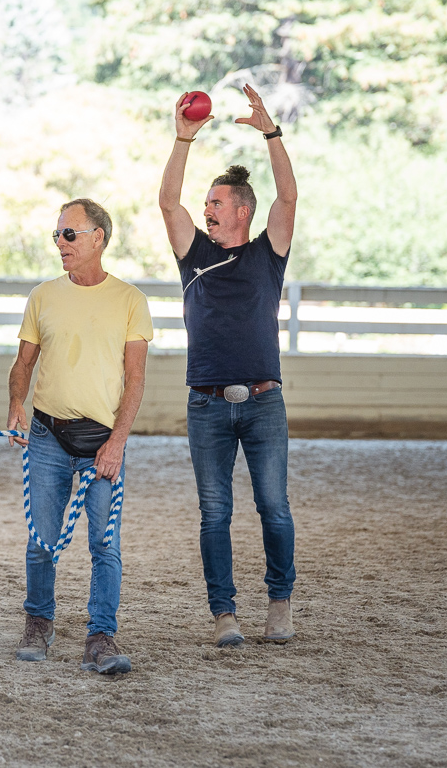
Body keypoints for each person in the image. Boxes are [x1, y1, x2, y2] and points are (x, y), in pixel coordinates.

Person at [157, 85, 298, 647]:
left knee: (274, 507)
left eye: (216, 202)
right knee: (214, 513)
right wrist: (182, 138)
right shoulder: (194, 254)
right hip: (207, 405)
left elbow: (288, 196)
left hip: (265, 402)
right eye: (207, 203)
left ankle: (280, 605)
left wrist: (271, 132)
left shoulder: (268, 253)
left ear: (242, 210)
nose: (206, 208)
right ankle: (225, 616)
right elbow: (168, 201)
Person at [6, 199, 153, 675]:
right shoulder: (43, 296)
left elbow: (135, 380)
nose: (61, 244)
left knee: (104, 545)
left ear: (98, 239)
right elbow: (23, 364)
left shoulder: (130, 300)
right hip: (48, 436)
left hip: (103, 442)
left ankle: (100, 637)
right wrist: (15, 406)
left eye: (70, 235)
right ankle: (38, 623)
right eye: (57, 235)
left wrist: (117, 444)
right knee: (41, 540)